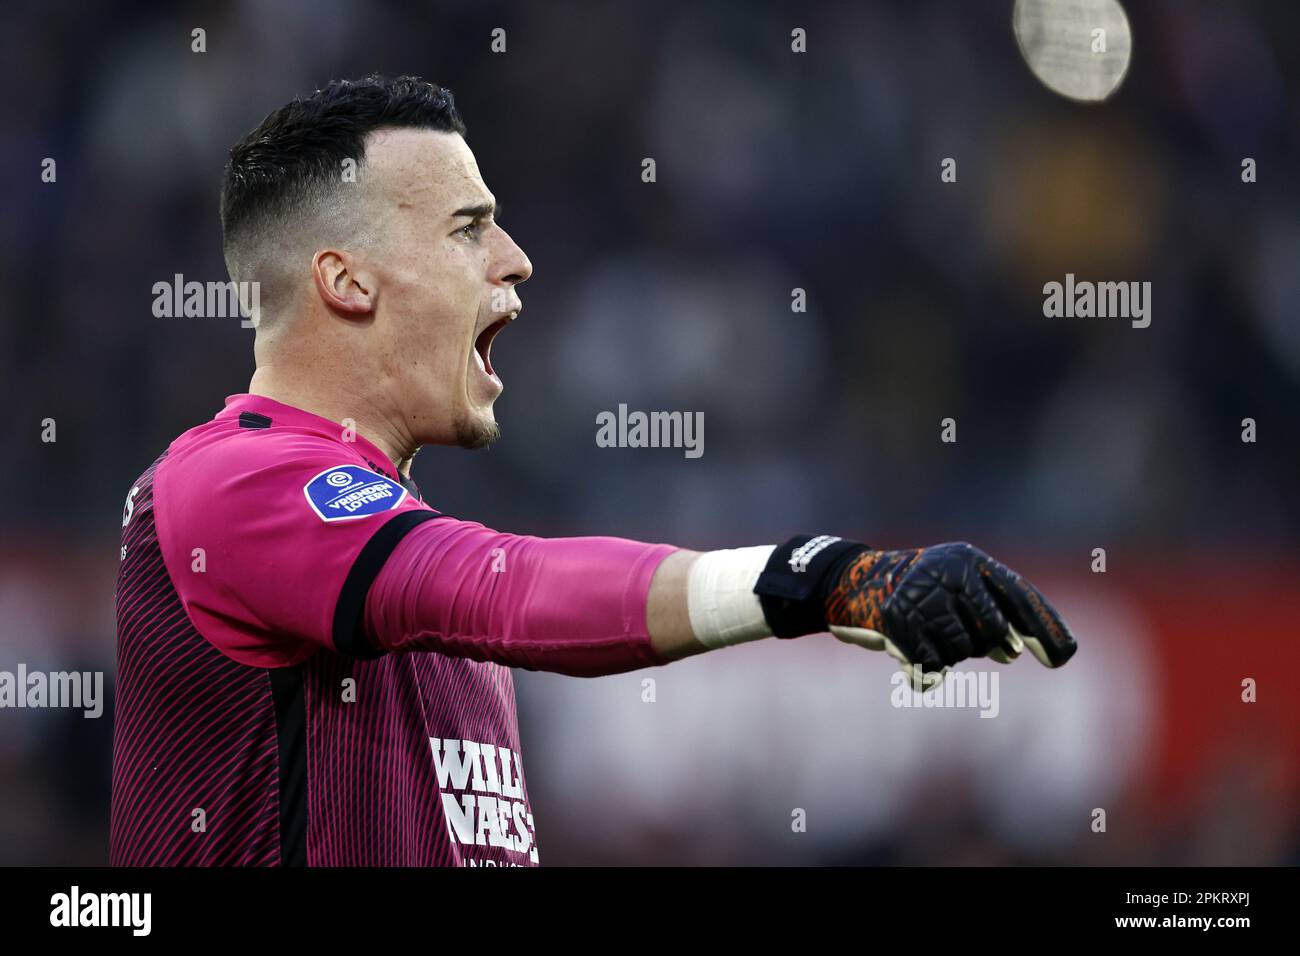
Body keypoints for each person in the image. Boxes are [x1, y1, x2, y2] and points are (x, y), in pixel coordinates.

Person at [111, 74, 1076, 867]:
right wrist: (823, 579)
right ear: (347, 280)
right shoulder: (233, 483)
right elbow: (507, 585)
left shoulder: (397, 558)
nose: (517, 259)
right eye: (466, 228)